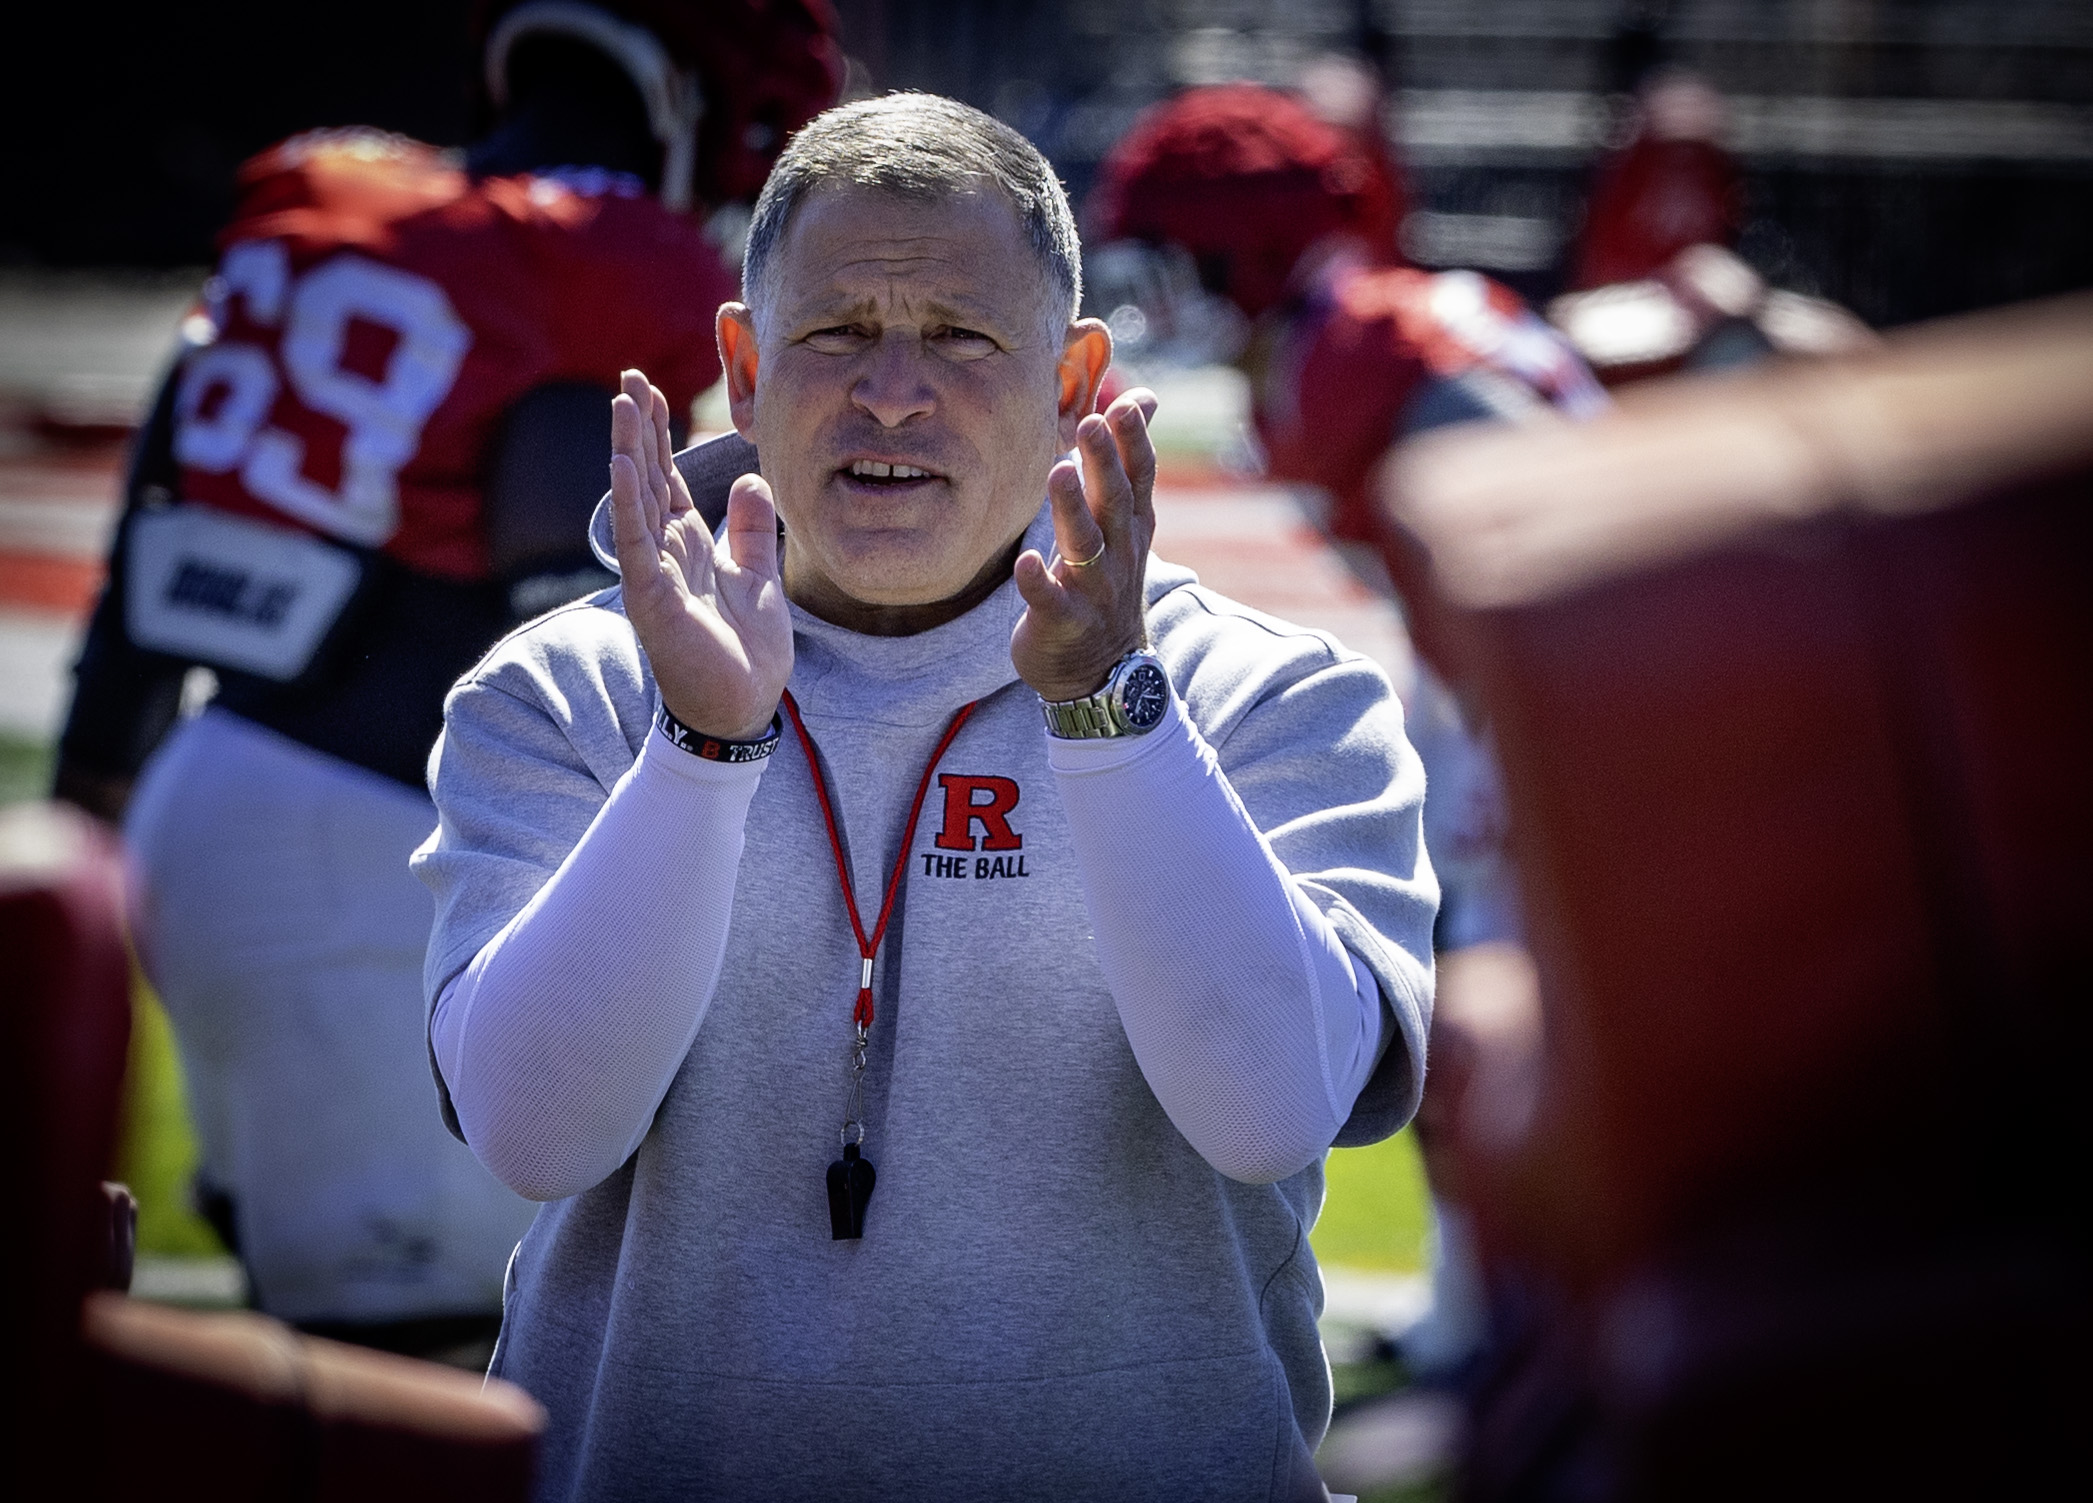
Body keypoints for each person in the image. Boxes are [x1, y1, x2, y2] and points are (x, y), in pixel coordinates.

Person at [412, 92, 1436, 1498]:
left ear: (1075, 380)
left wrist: (1109, 713)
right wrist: (701, 750)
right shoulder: (569, 689)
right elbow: (537, 1135)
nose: (892, 391)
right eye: (837, 333)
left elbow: (1266, 1114)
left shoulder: (1273, 698)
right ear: (745, 365)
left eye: (960, 337)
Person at [51, 0, 842, 1354]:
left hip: (212, 795)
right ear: (698, 111)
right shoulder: (596, 260)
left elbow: (156, 523)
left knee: (329, 1351)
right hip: (368, 848)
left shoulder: (328, 197)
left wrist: (96, 791)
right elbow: (567, 562)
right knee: (430, 1369)